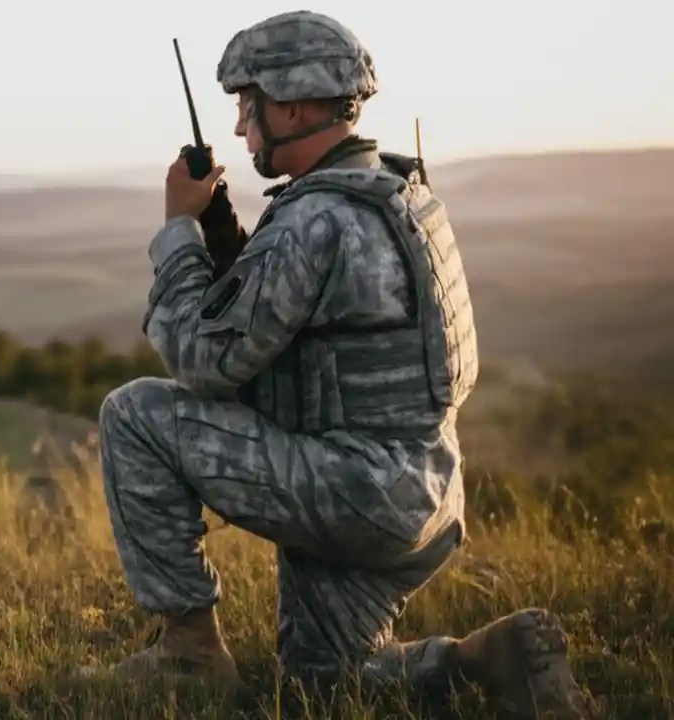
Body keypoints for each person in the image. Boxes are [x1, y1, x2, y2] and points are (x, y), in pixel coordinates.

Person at [95, 10, 590, 718]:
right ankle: (481, 659)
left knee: (135, 415)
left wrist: (177, 232)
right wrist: (219, 229)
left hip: (351, 489)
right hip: (424, 493)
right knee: (327, 684)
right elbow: (294, 314)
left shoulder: (313, 220)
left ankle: (188, 657)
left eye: (248, 104)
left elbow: (204, 360)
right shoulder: (405, 196)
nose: (239, 128)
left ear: (292, 105)